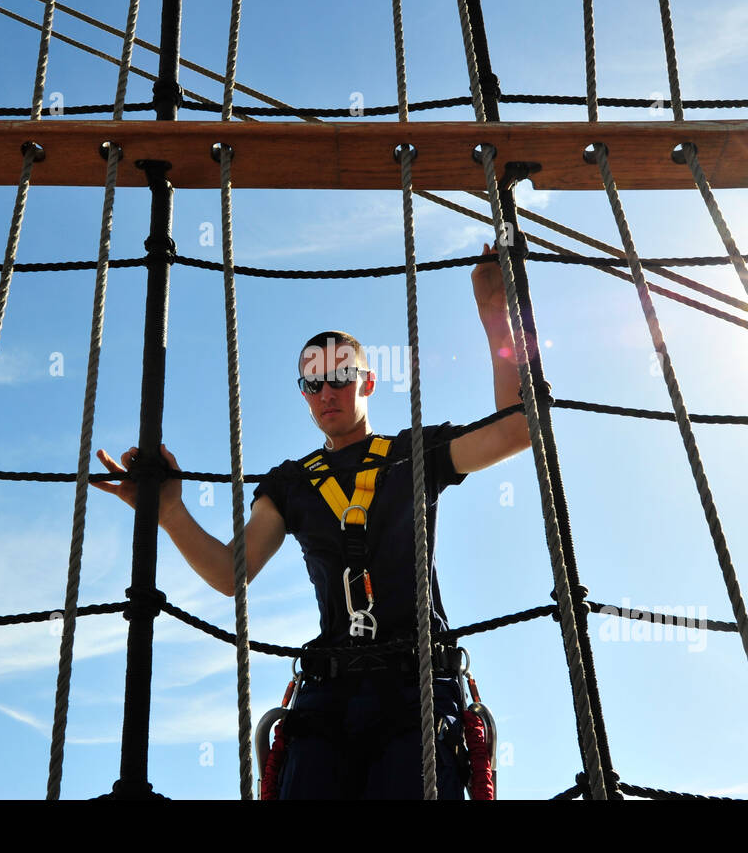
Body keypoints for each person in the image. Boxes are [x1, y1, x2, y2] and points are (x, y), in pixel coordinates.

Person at [91, 245, 534, 799]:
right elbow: (234, 573)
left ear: (368, 382)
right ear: (303, 394)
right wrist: (171, 512)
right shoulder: (289, 483)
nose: (327, 392)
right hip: (330, 694)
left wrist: (497, 310)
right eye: (312, 383)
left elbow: (519, 428)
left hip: (416, 685)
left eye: (341, 377)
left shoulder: (415, 454)